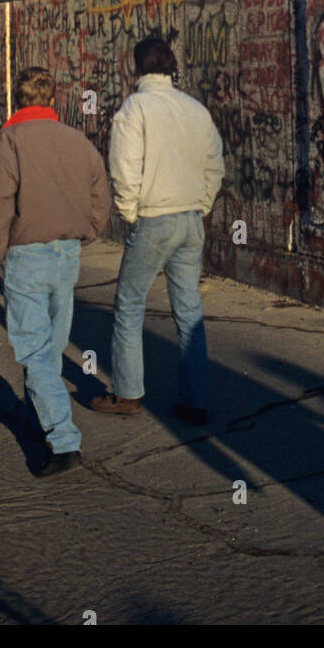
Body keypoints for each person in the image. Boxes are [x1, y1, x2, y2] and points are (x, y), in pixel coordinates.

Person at [0, 66, 111, 478]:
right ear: (53, 100)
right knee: (49, 347)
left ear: (17, 99)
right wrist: (85, 234)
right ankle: (38, 419)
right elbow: (100, 192)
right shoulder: (77, 141)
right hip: (66, 254)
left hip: (26, 254)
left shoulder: (4, 143)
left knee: (35, 351)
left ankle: (64, 442)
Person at [92, 36, 225, 425]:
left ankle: (128, 393)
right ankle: (194, 399)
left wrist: (129, 212)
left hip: (153, 219)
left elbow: (124, 167)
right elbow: (214, 163)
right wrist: (202, 203)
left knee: (130, 306)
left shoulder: (135, 108)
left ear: (137, 67)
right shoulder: (195, 109)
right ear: (170, 66)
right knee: (188, 311)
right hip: (190, 220)